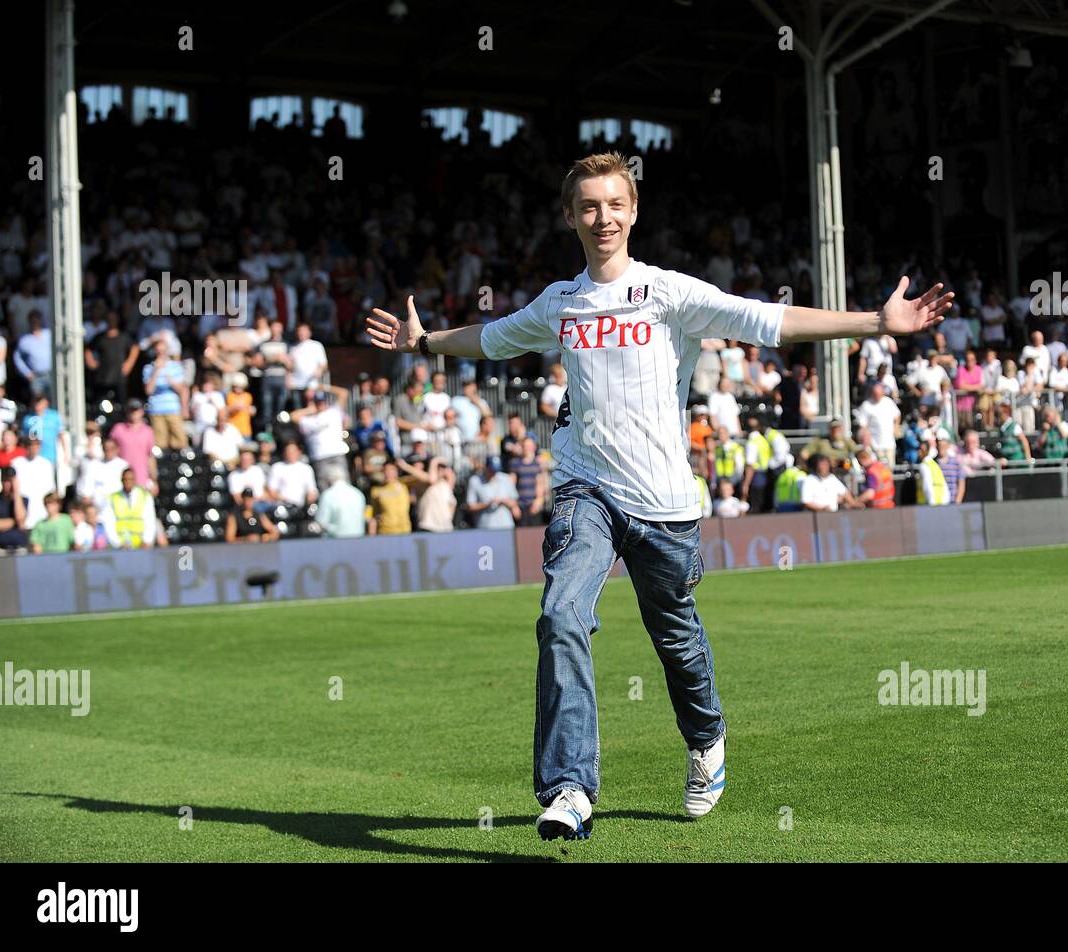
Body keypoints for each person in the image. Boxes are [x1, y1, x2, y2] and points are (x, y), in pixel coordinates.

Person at [365, 150, 952, 840]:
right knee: (560, 615)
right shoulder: (562, 302)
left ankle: (706, 741)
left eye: (614, 204)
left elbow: (769, 320)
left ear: (633, 210)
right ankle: (570, 789)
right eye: (588, 206)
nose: (602, 216)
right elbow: (491, 340)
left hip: (665, 504)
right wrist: (426, 340)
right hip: (587, 491)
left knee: (675, 638)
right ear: (570, 217)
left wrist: (876, 324)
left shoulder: (669, 293)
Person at [142, 335, 189, 449]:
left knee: (180, 441)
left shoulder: (175, 367)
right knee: (160, 443)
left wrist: (184, 408)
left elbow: (182, 389)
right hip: (156, 409)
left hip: (173, 408)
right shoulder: (149, 368)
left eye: (163, 351)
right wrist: (156, 371)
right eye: (158, 352)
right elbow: (148, 390)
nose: (161, 354)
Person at [102, 467, 157, 549]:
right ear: (121, 480)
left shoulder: (145, 497)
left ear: (135, 480)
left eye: (131, 479)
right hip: (121, 548)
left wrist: (146, 541)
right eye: (126, 479)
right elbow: (109, 523)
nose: (128, 482)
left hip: (141, 546)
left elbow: (150, 520)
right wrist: (117, 544)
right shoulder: (112, 498)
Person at [465, 455, 520, 529]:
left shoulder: (505, 478)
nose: (493, 473)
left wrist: (503, 501)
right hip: (485, 527)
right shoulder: (475, 480)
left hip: (506, 526)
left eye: (496, 471)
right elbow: (470, 506)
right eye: (491, 470)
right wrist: (488, 504)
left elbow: (514, 501)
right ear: (485, 467)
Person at [0, 467, 30, 551]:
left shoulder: (23, 500)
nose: (8, 484)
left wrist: (16, 492)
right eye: (6, 480)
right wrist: (15, 522)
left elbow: (21, 518)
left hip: (18, 547)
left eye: (11, 481)